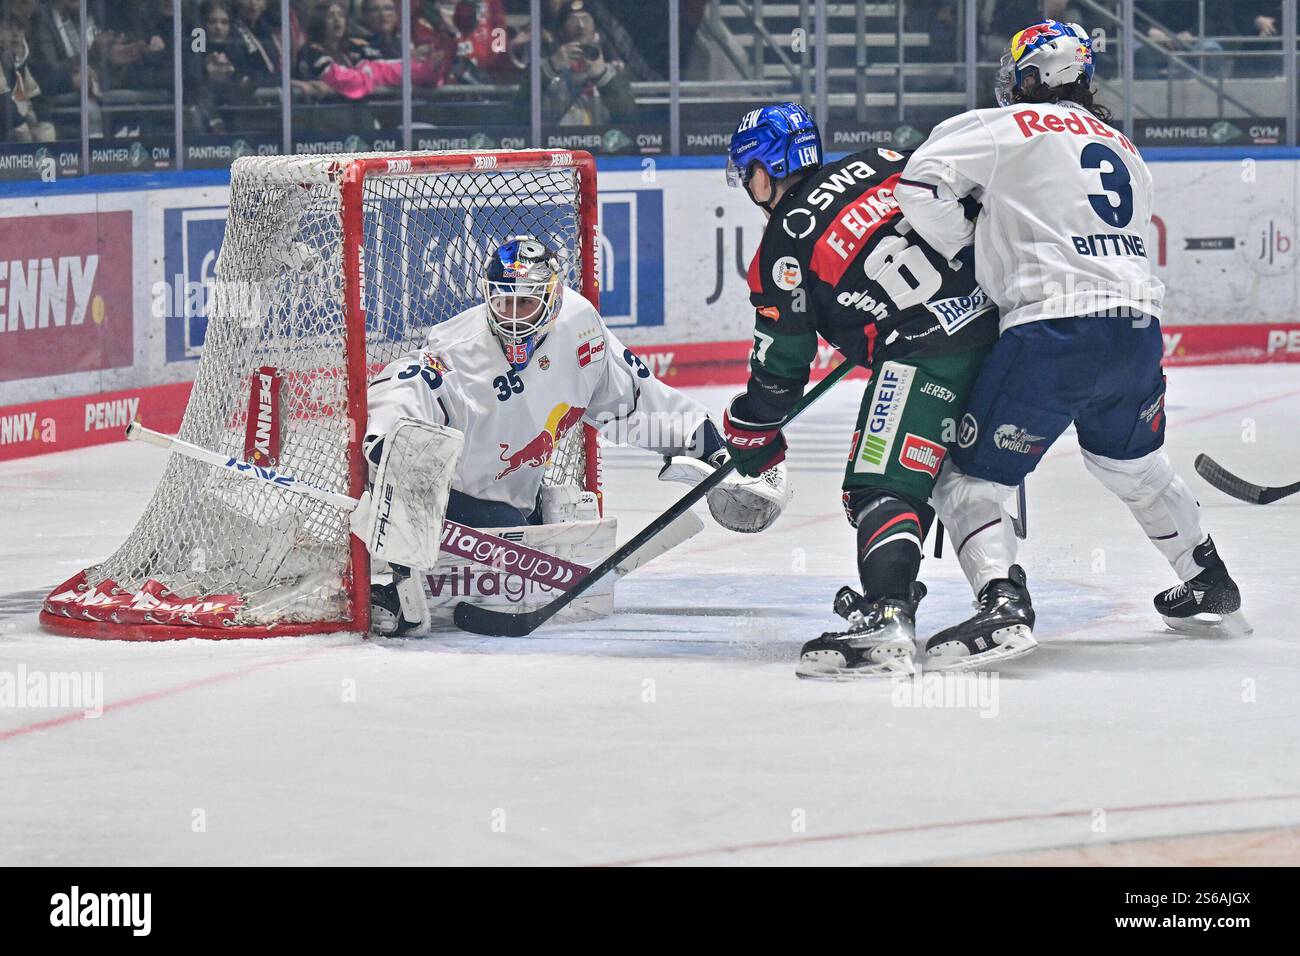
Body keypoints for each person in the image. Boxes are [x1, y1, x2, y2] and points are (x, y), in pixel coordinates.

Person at [895, 19, 1248, 667]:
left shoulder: (999, 127)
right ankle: (1207, 576)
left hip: (1055, 330)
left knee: (965, 484)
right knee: (1131, 466)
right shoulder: (1123, 147)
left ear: (1031, 77)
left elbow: (918, 189)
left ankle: (1001, 602)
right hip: (1137, 333)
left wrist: (973, 244)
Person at [363, 235, 786, 636]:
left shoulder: (579, 328)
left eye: (525, 302)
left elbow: (633, 400)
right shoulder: (459, 348)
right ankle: (397, 583)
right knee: (509, 528)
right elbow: (407, 381)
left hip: (517, 502)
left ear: (552, 299)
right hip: (453, 506)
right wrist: (387, 438)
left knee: (546, 522)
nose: (511, 316)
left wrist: (704, 442)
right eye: (502, 300)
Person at [719, 103, 1006, 679]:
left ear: (767, 167)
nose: (746, 184)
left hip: (926, 353)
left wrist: (750, 428)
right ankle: (1002, 599)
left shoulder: (782, 247)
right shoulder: (885, 161)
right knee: (955, 481)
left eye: (747, 170)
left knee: (880, 485)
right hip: (1003, 332)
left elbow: (781, 377)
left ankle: (885, 618)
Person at [513, 0, 635, 126]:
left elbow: (630, 118)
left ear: (595, 30)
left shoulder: (612, 71)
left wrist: (602, 77)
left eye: (586, 19)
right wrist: (551, 68)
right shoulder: (543, 69)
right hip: (555, 143)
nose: (581, 26)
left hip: (599, 143)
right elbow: (519, 113)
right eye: (573, 20)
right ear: (561, 30)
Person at [0, 0, 53, 143]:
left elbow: (36, 98)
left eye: (20, 29)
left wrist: (45, 124)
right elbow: (3, 103)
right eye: (9, 28)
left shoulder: (20, 63)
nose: (16, 34)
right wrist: (22, 127)